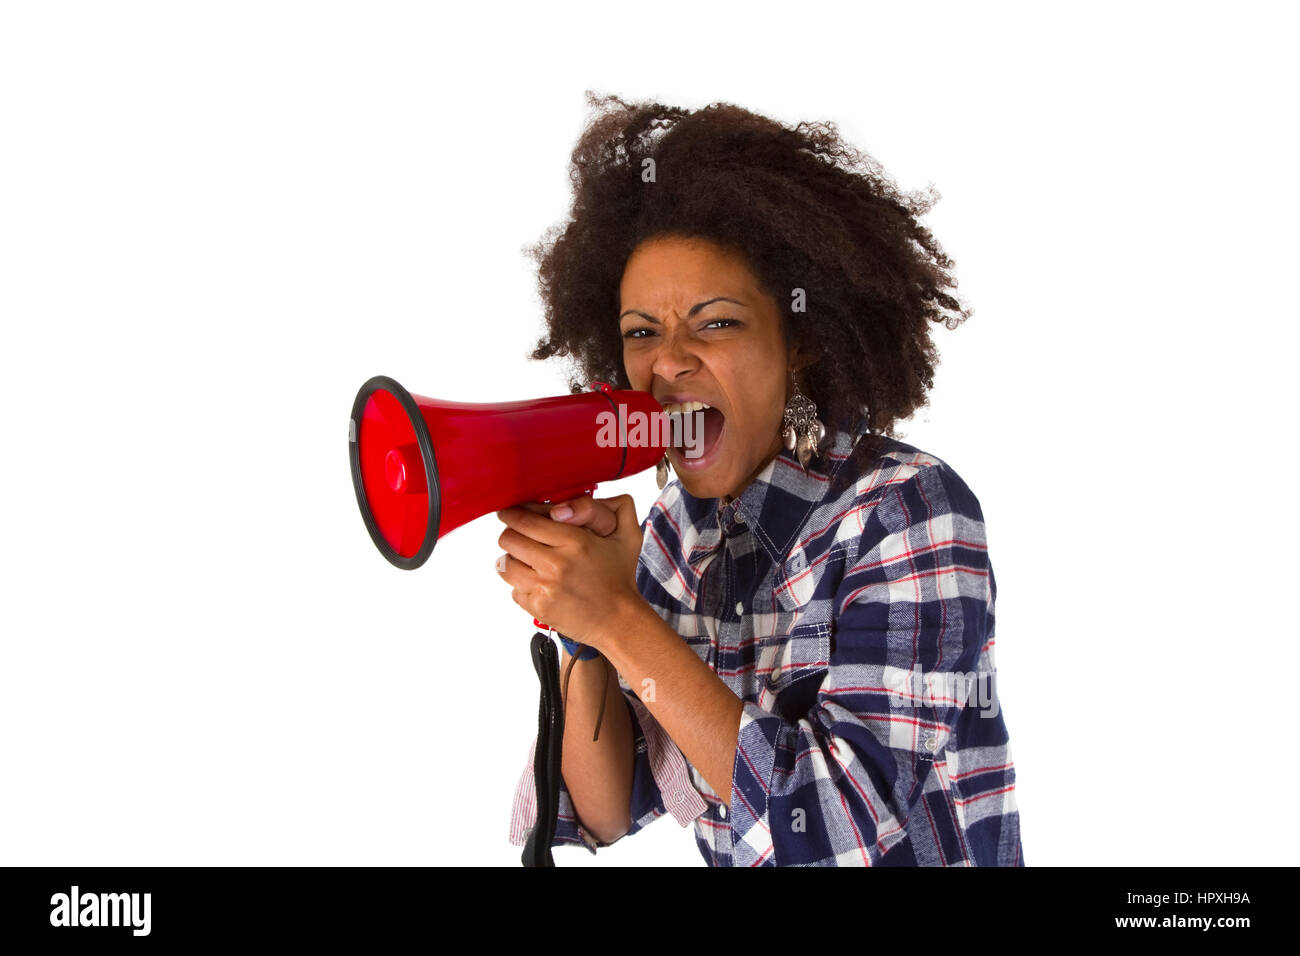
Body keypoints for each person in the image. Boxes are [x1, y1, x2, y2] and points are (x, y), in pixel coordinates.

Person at [497, 93, 1024, 866]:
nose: (668, 360)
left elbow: (833, 826)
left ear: (801, 341)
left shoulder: (907, 509)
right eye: (641, 332)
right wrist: (584, 632)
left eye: (715, 322)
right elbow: (607, 809)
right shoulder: (677, 530)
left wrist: (618, 617)